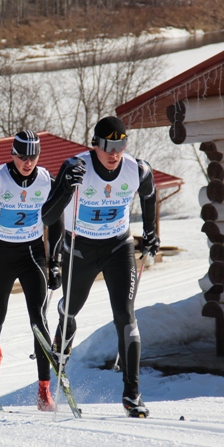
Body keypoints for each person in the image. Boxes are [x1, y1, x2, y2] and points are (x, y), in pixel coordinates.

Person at [41, 115, 160, 418]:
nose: (113, 153)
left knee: (125, 315)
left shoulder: (137, 169)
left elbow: (149, 194)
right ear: (95, 145)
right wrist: (66, 189)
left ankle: (132, 393)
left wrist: (150, 233)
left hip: (119, 246)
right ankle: (61, 336)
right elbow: (48, 216)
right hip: (80, 248)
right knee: (72, 310)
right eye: (107, 145)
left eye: (120, 145)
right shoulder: (75, 167)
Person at [0, 130, 65, 411]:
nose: (28, 161)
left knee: (39, 321)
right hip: (1, 253)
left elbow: (56, 219)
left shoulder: (47, 179)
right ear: (13, 154)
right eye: (23, 156)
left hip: (32, 254)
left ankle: (44, 390)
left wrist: (55, 261)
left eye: (33, 156)